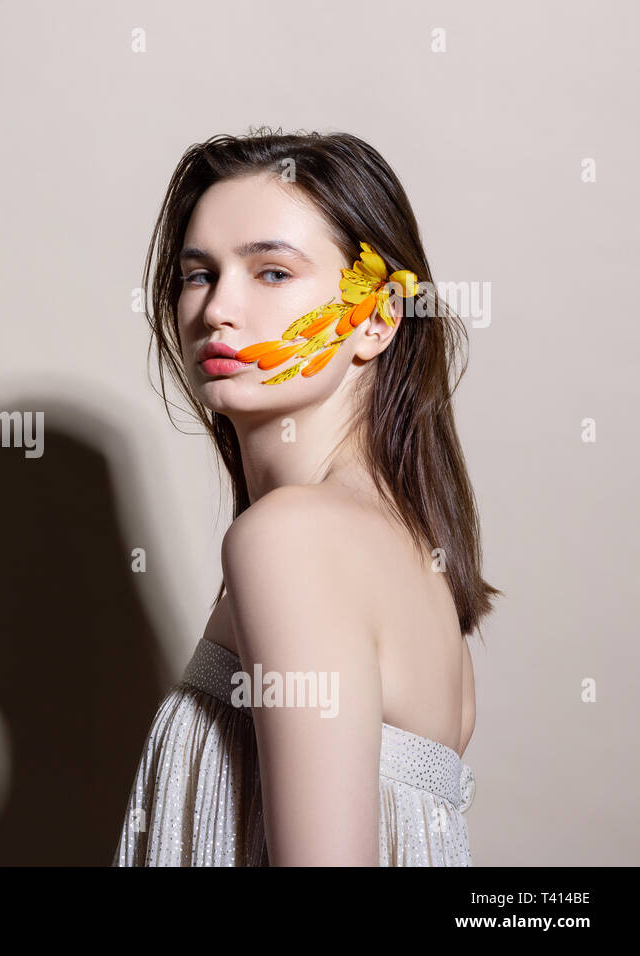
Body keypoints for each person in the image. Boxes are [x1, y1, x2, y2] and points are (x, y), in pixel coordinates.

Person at [113, 129, 500, 866]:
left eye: (272, 272)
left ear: (380, 318)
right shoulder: (412, 554)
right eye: (198, 275)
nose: (218, 310)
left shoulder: (291, 540)